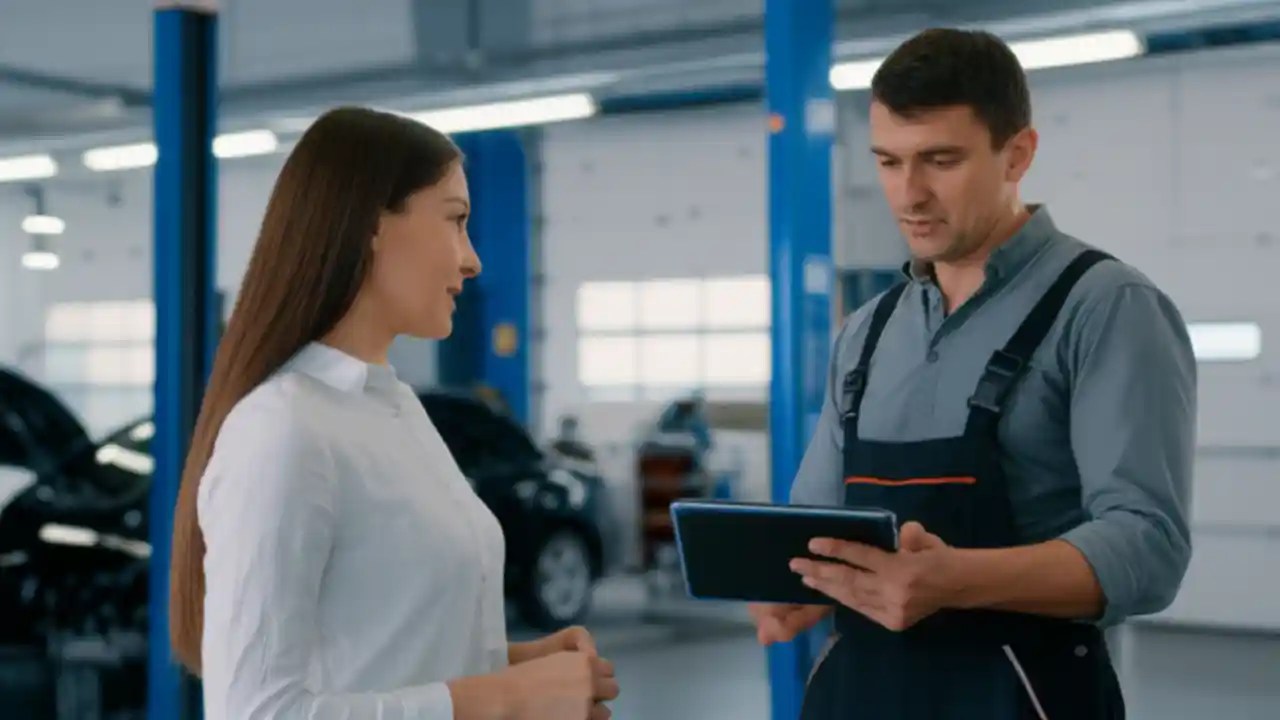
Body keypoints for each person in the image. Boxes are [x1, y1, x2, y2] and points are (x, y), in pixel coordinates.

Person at [749, 28, 1195, 719]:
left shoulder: (1103, 307)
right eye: (889, 162)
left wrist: (954, 579)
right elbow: (818, 520)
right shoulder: (867, 331)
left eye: (941, 160)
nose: (910, 194)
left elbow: (1148, 545)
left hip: (1023, 698)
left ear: (1017, 154)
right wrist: (796, 579)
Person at [168, 107, 619, 720]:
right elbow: (256, 712)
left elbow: (384, 649)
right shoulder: (283, 430)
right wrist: (507, 698)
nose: (473, 259)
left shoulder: (393, 408)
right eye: (456, 222)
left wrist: (521, 665)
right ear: (371, 225)